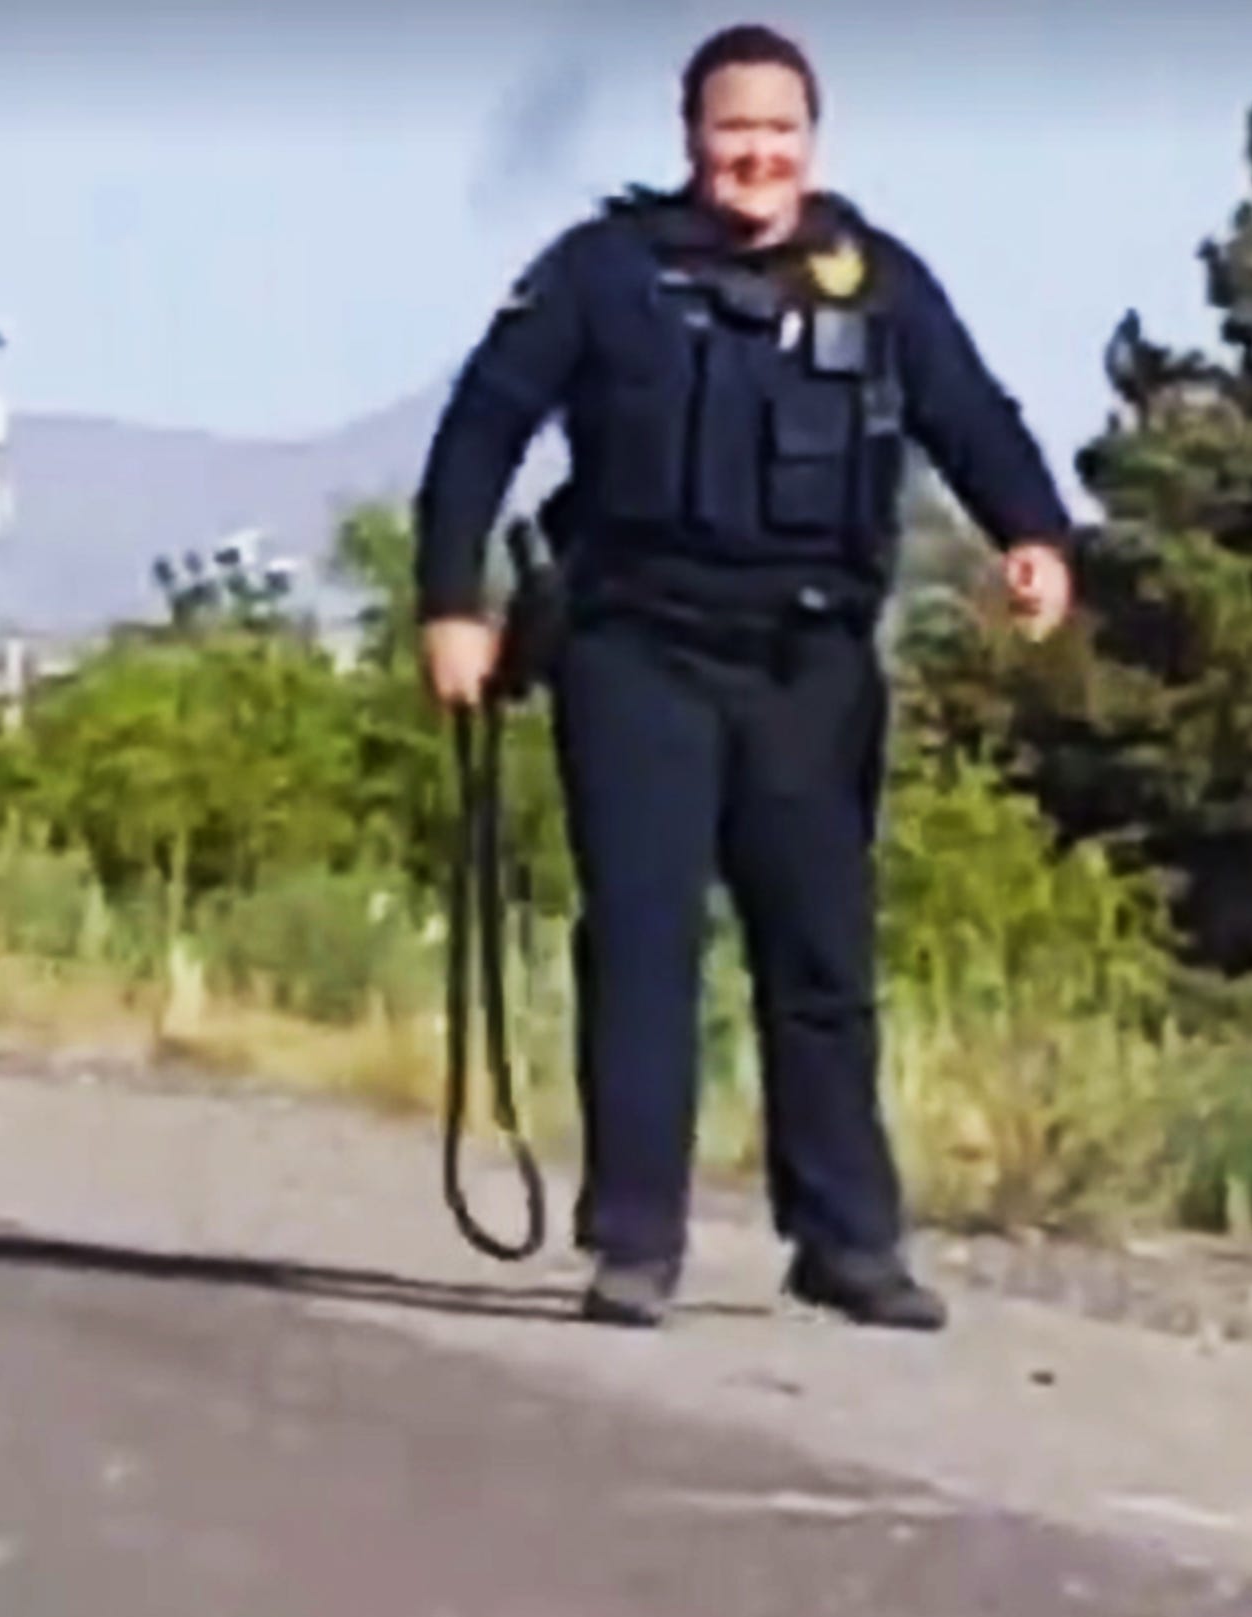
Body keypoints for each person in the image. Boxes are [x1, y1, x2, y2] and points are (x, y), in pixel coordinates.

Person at [412, 22, 1075, 1331]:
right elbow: (483, 422)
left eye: (778, 132)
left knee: (820, 956)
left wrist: (1034, 536)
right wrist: (451, 606)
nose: (755, 155)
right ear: (693, 141)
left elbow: (970, 414)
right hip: (636, 649)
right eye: (733, 131)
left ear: (808, 142)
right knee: (648, 946)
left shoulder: (876, 281)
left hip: (810, 663)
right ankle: (636, 1243)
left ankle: (845, 1243)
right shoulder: (605, 273)